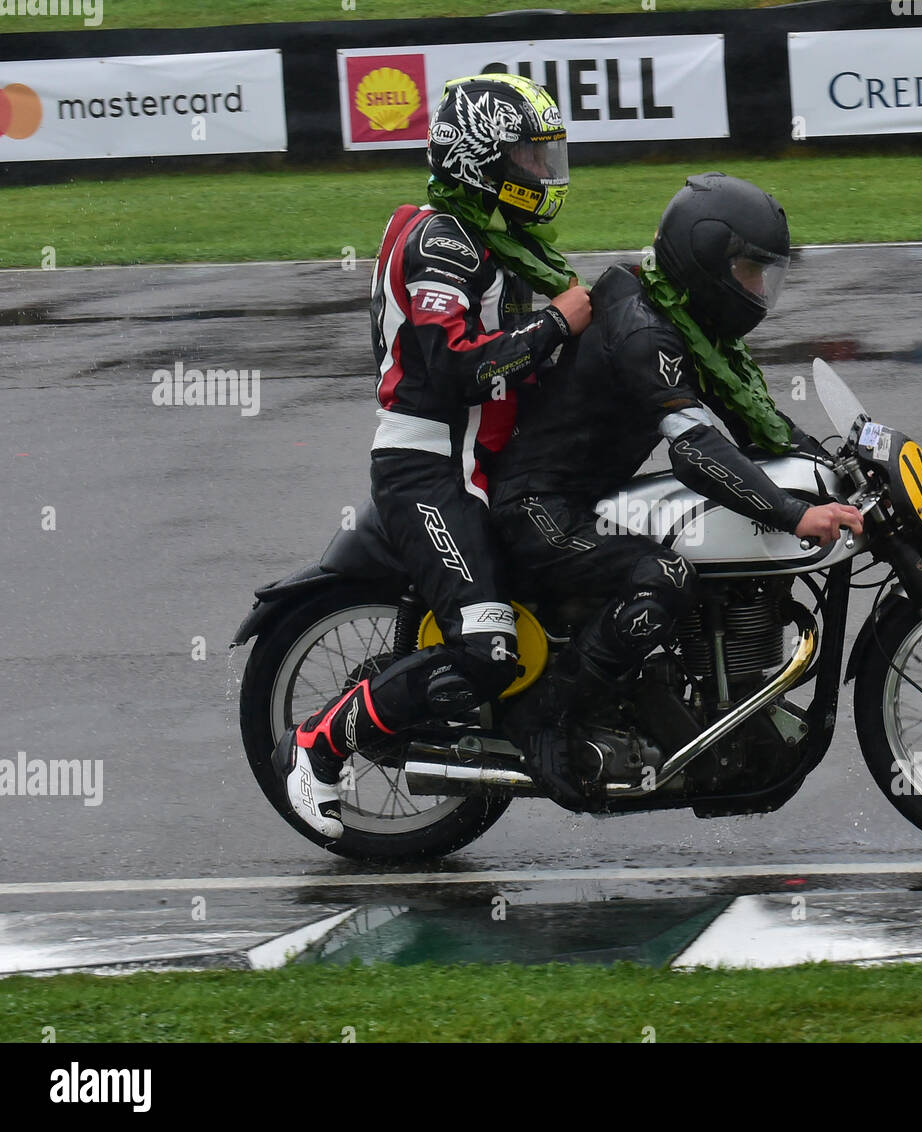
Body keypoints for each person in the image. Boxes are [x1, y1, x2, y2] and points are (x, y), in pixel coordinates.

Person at [275, 73, 592, 839]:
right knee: (488, 649)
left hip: (488, 469)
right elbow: (458, 368)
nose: (543, 172)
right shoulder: (440, 238)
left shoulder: (496, 239)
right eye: (526, 154)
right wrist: (555, 325)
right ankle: (323, 745)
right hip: (431, 473)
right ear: (482, 157)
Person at [491, 172, 862, 809]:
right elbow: (694, 446)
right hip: (536, 506)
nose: (756, 289)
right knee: (665, 574)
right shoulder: (644, 331)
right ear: (705, 261)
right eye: (749, 271)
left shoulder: (681, 320)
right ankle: (545, 720)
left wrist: (840, 467)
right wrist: (793, 513)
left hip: (587, 499)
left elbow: (753, 425)